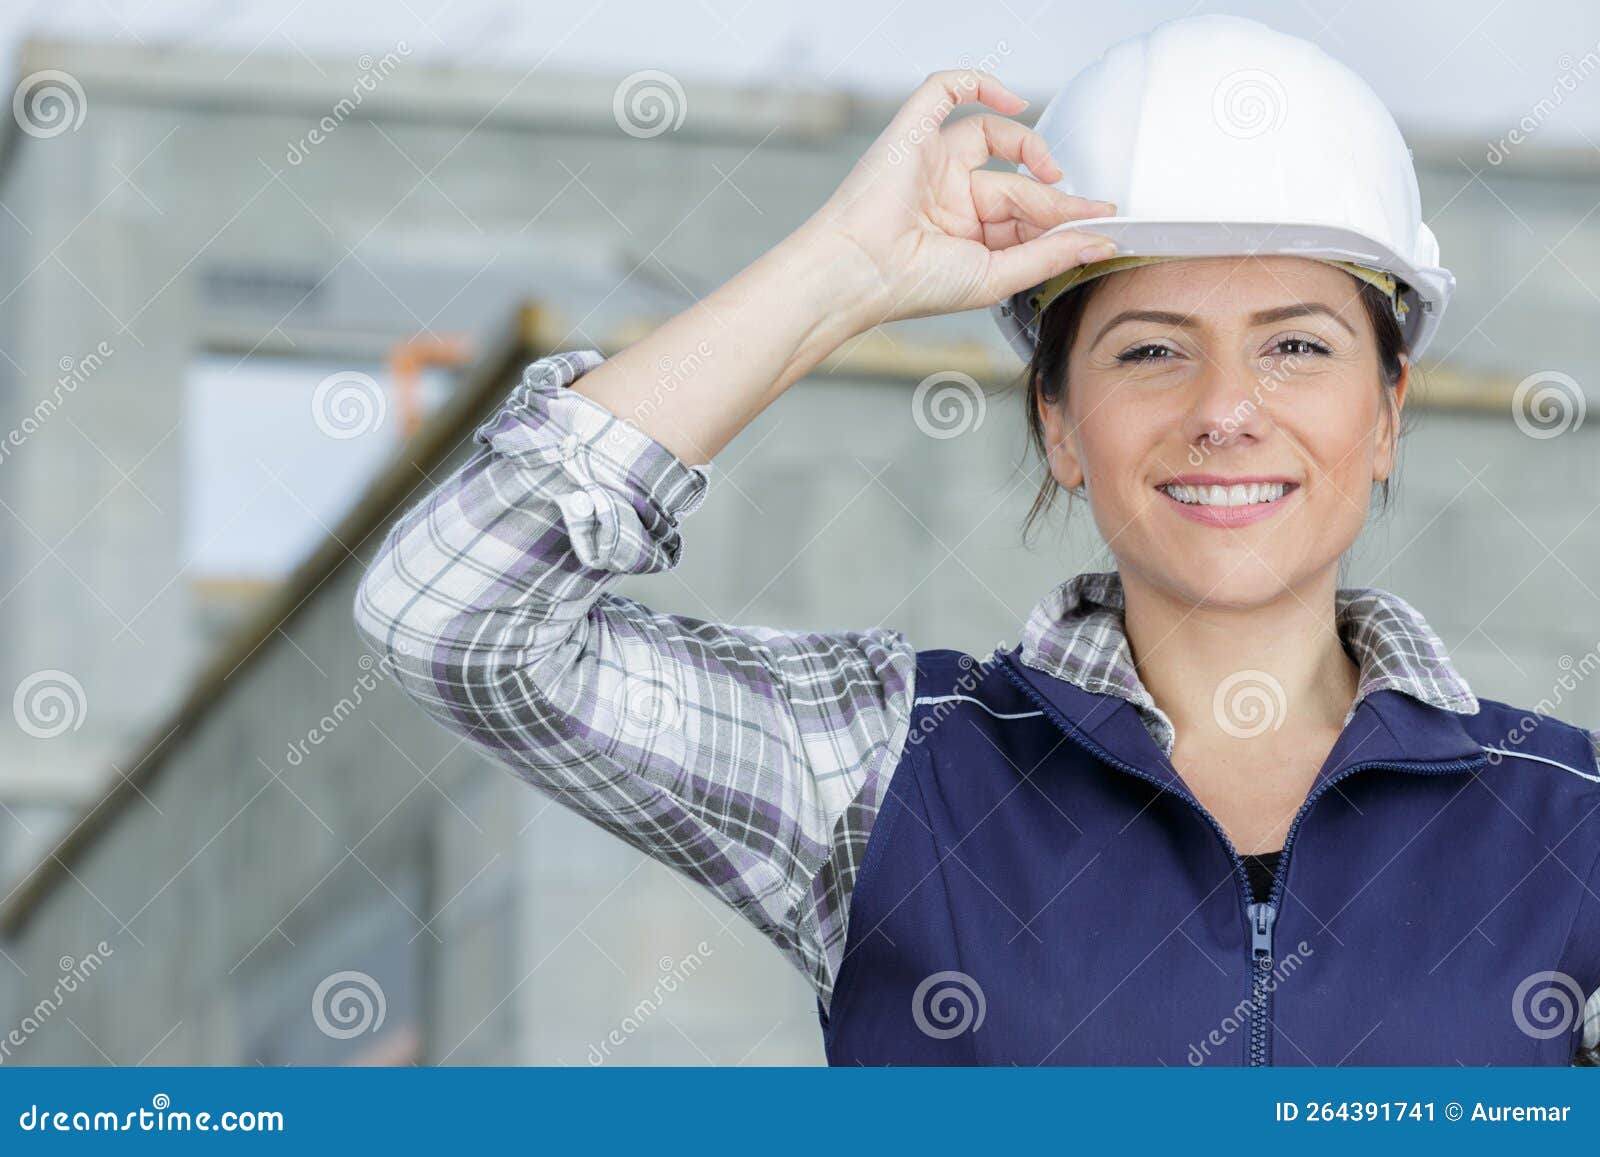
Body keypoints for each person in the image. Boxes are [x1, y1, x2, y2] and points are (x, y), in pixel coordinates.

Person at [353, 14, 1600, 1065]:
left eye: (1297, 346)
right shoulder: (879, 769)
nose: (1226, 410)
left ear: (1385, 413)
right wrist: (838, 274)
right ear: (1059, 422)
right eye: (1151, 348)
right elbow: (451, 616)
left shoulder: (1571, 822)